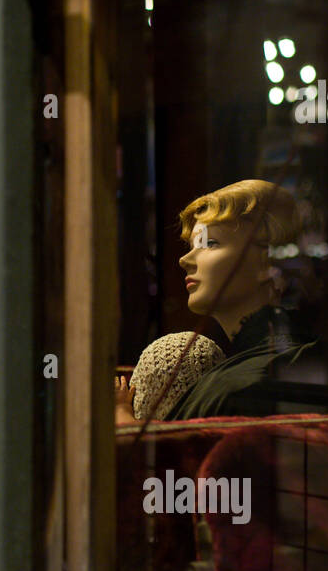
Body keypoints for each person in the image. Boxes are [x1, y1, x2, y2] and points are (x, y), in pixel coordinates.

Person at [115, 178, 315, 424]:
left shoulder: (243, 382)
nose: (185, 260)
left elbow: (173, 452)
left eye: (210, 243)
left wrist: (122, 416)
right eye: (192, 246)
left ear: (265, 260)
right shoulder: (240, 371)